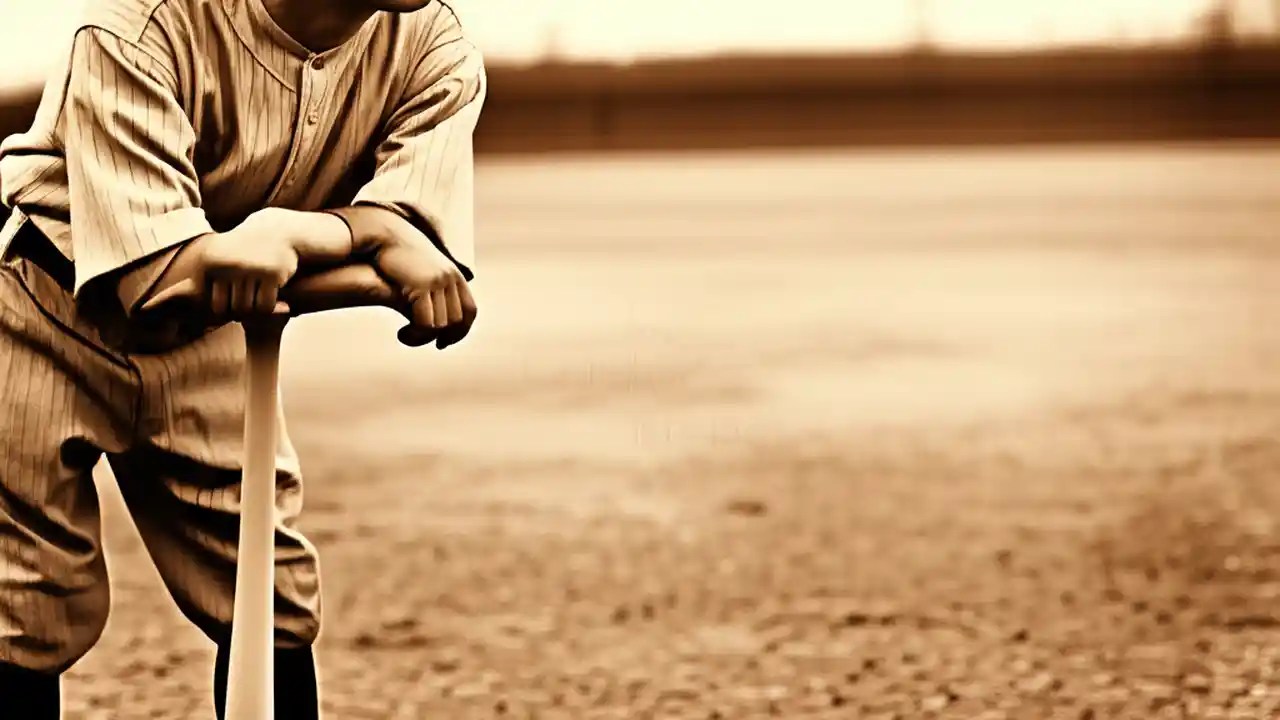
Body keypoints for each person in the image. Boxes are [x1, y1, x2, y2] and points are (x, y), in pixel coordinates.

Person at [0, 0, 484, 716]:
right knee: (24, 604)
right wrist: (368, 238)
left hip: (215, 335)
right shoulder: (138, 21)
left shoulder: (433, 45)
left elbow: (411, 240)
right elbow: (159, 276)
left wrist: (291, 233)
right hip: (46, 307)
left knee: (270, 591)